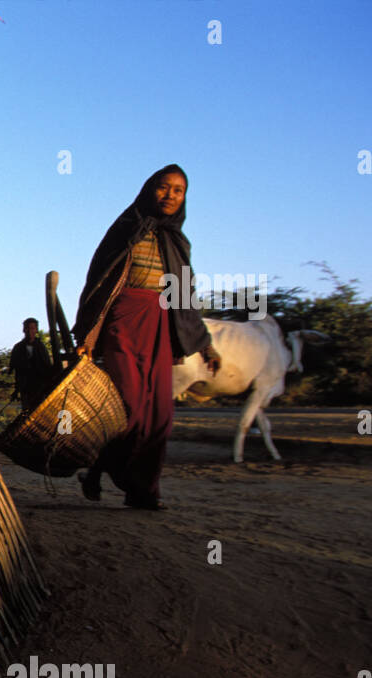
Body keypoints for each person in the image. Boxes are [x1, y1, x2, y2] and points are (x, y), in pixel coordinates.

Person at [72, 165, 220, 511]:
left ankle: (142, 491)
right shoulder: (125, 231)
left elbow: (185, 297)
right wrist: (88, 336)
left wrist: (205, 343)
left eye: (178, 190)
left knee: (161, 417)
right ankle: (104, 468)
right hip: (123, 323)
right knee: (131, 408)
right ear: (148, 189)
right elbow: (99, 284)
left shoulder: (178, 242)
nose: (170, 195)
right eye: (163, 187)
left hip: (160, 328)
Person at [8, 317, 53, 411]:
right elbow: (15, 369)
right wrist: (17, 389)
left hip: (40, 386)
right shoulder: (18, 348)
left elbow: (47, 367)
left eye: (32, 328)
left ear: (36, 330)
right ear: (24, 330)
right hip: (25, 387)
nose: (30, 331)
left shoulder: (41, 347)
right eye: (27, 328)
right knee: (27, 411)